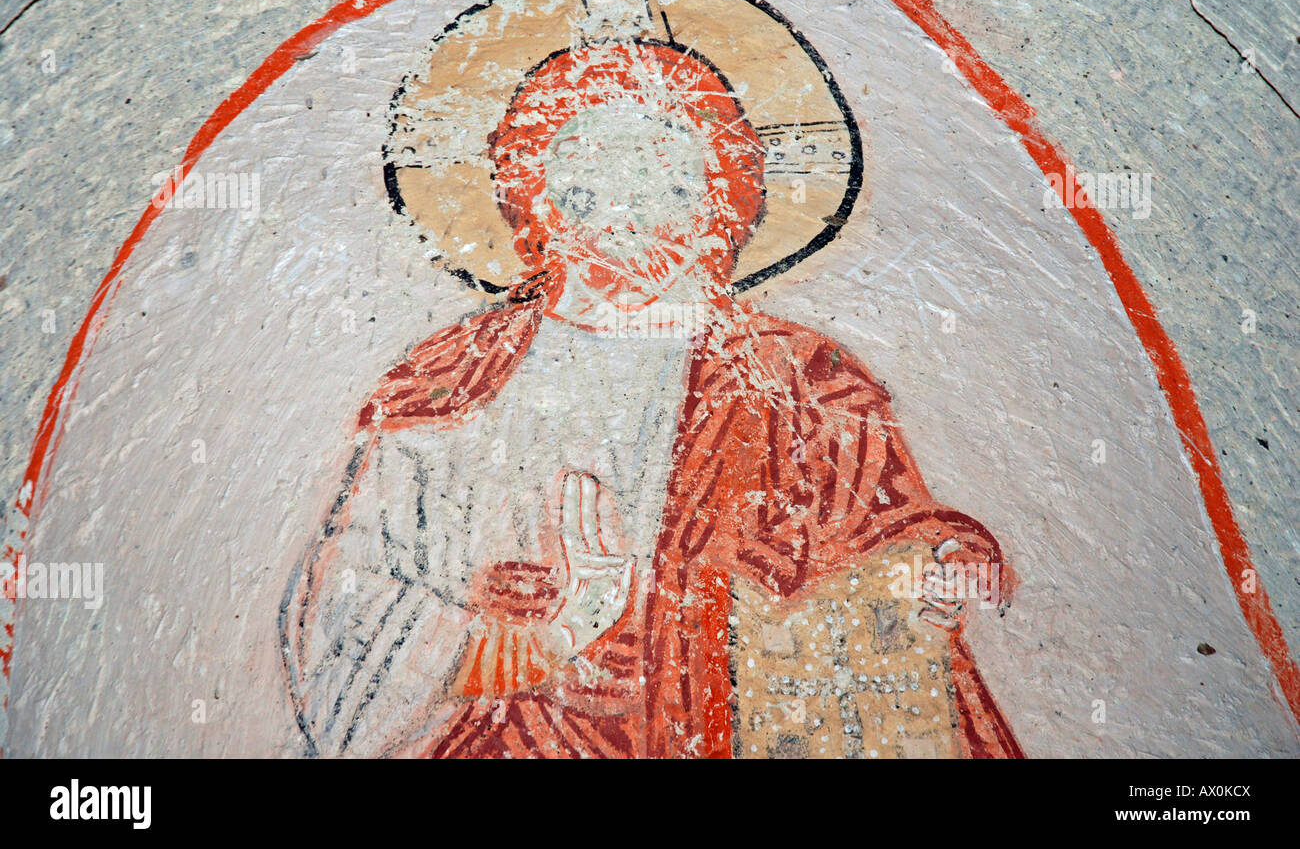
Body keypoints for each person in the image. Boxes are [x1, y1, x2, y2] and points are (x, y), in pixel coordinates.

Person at [281, 40, 1022, 759]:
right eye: (587, 190)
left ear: (718, 203)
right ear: (535, 201)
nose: (623, 220)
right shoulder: (457, 379)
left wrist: (942, 567)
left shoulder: (803, 379)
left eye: (661, 187)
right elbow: (349, 605)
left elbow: (882, 543)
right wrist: (522, 647)